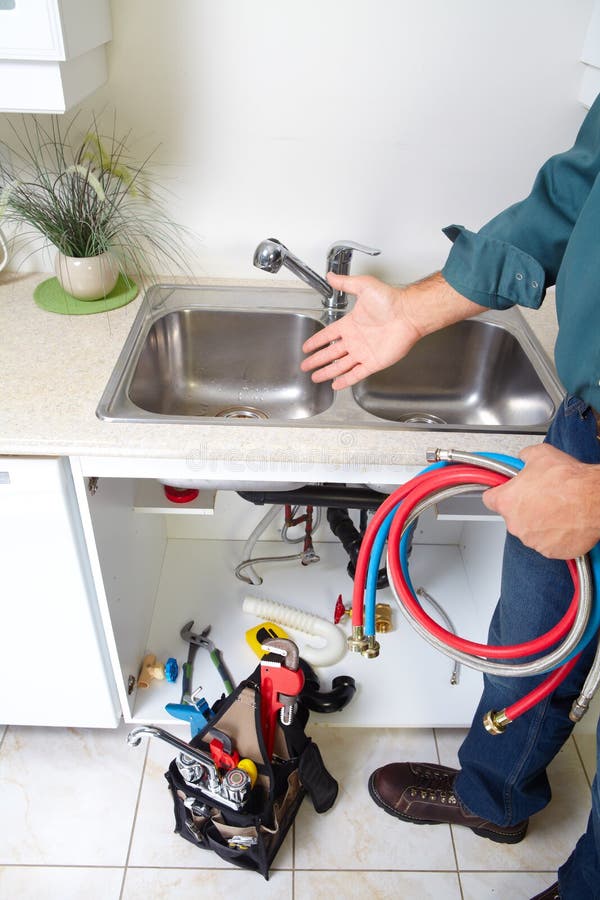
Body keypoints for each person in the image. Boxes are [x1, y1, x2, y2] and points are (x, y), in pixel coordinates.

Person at [301, 93, 600, 900]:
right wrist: (414, 309)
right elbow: (569, 199)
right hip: (585, 424)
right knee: (527, 643)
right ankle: (494, 796)